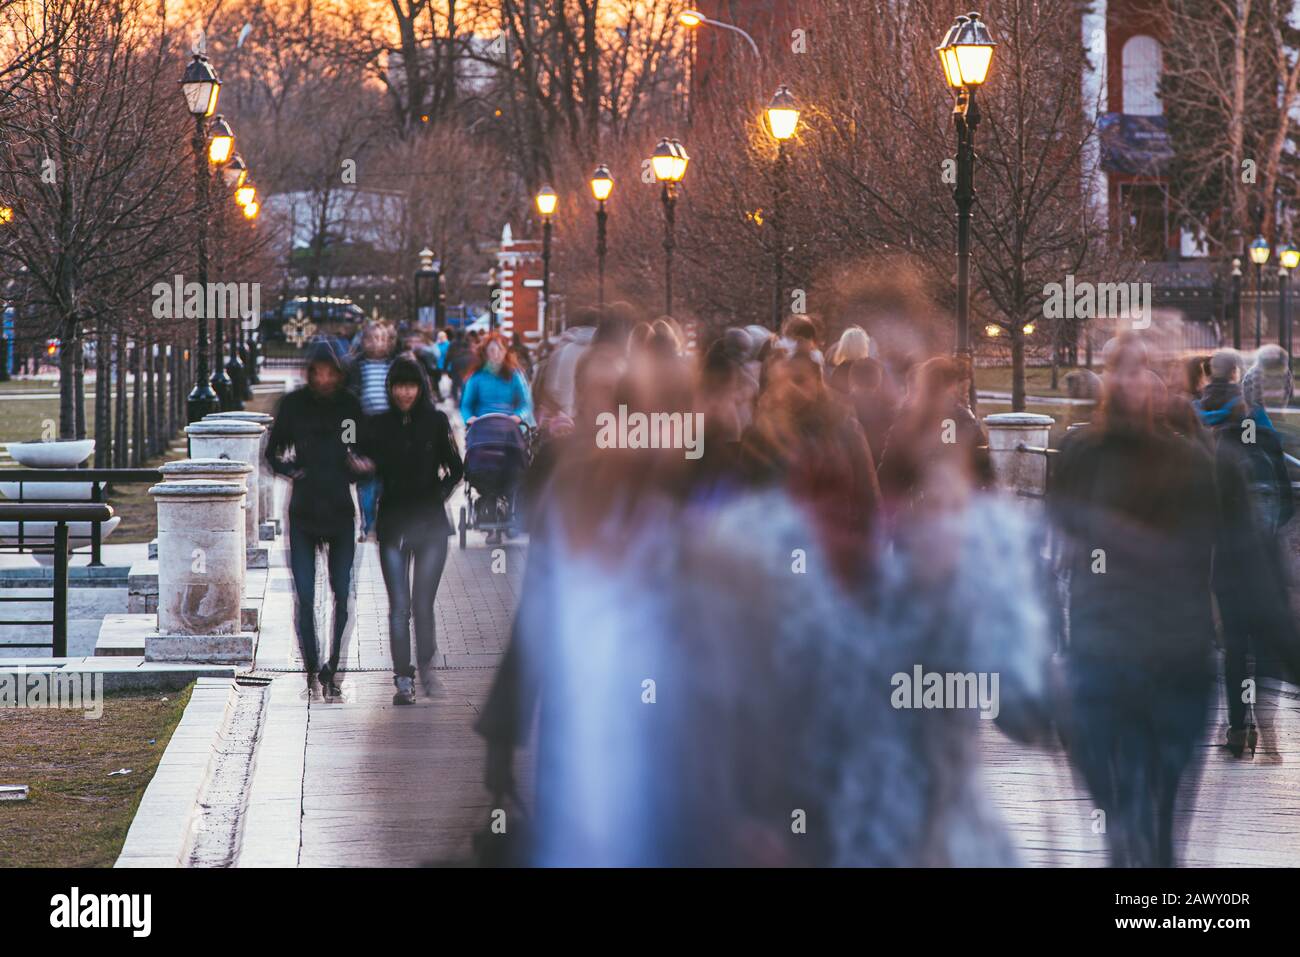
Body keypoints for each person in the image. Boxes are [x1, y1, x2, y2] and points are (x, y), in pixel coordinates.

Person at [1049, 336, 1219, 866]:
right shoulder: (1080, 452)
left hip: (1171, 652)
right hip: (1103, 646)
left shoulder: (1190, 459)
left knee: (1158, 818)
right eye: (1117, 370)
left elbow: (1211, 554)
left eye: (1139, 370)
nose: (1128, 381)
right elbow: (1061, 538)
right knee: (1121, 813)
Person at [266, 338, 371, 698]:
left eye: (330, 373)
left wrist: (359, 468)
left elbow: (362, 452)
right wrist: (290, 470)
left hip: (340, 511)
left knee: (343, 593)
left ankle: (334, 666)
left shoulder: (348, 406)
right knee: (305, 596)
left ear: (339, 374)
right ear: (309, 373)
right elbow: (273, 452)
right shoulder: (294, 405)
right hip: (304, 513)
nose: (324, 379)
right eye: (318, 373)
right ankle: (311, 666)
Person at [359, 355, 463, 706]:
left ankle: (427, 665)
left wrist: (438, 494)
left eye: (411, 385)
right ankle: (403, 678)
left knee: (422, 603)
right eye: (399, 386)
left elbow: (456, 468)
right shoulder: (378, 425)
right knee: (399, 606)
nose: (405, 393)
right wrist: (359, 466)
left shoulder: (436, 421)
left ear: (421, 388)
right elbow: (362, 466)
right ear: (390, 388)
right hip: (392, 524)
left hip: (431, 525)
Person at [348, 321, 396, 540]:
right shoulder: (355, 367)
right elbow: (347, 405)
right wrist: (348, 444)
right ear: (364, 341)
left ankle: (386, 521)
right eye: (372, 338)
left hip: (389, 430)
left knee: (388, 479)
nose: (377, 343)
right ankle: (368, 522)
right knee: (367, 480)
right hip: (364, 430)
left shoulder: (394, 365)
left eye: (382, 338)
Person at [460, 333, 534, 427]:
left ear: (505, 352)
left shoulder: (515, 375)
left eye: (500, 350)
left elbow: (526, 403)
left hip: (510, 425)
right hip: (482, 426)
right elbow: (466, 405)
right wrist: (469, 418)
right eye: (492, 350)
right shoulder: (476, 376)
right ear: (485, 353)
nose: (496, 354)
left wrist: (518, 416)